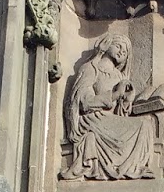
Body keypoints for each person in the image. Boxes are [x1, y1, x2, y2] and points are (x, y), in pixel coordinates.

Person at [63, 33, 157, 180]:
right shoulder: (90, 68)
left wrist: (126, 101)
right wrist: (114, 95)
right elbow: (84, 103)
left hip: (108, 119)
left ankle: (134, 167)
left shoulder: (119, 76)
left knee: (146, 124)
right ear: (106, 45)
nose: (121, 52)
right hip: (93, 118)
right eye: (118, 46)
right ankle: (126, 168)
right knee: (142, 125)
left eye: (125, 51)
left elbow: (120, 114)